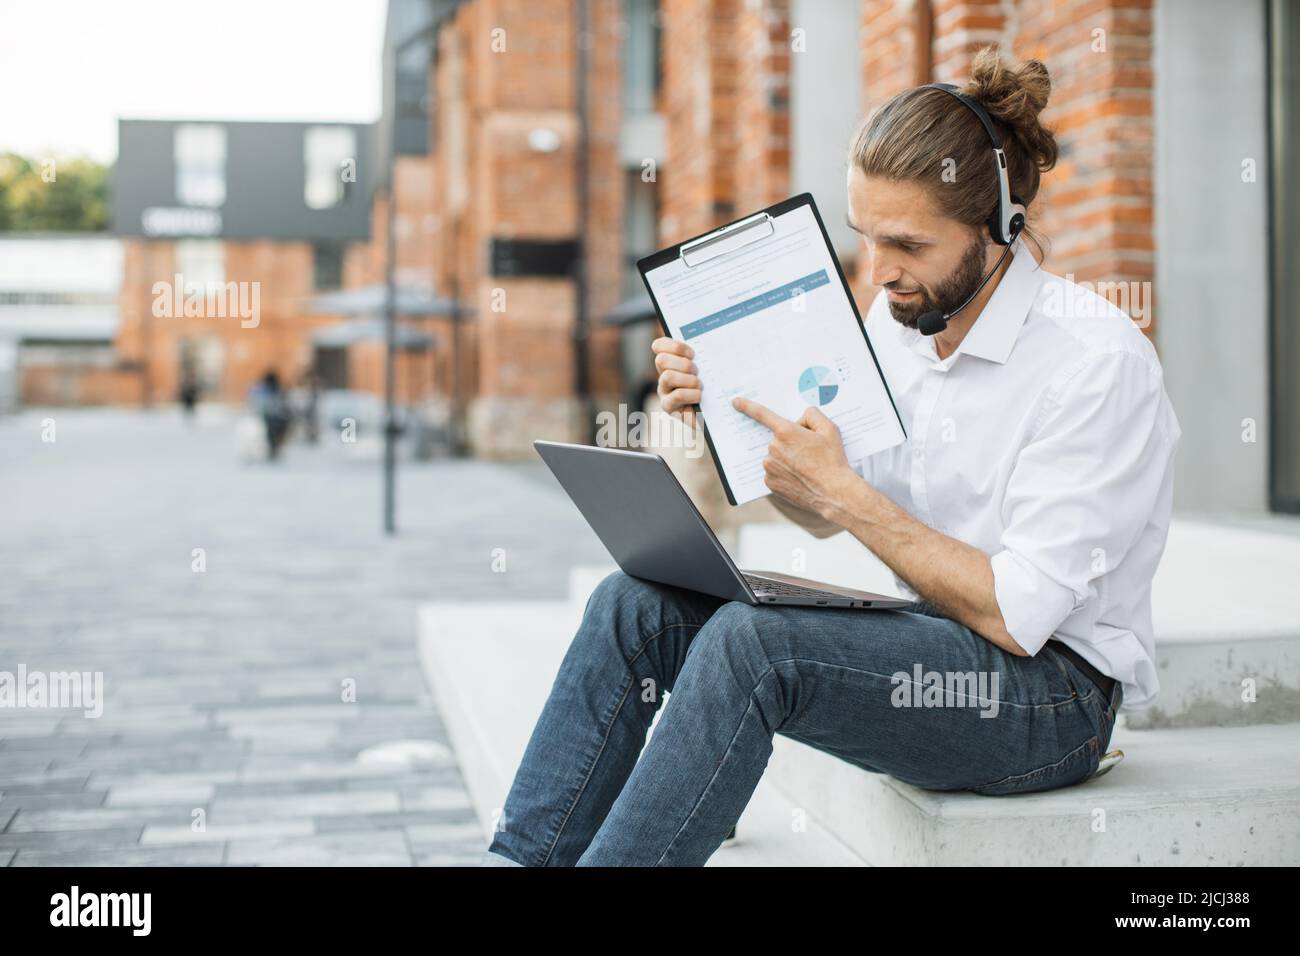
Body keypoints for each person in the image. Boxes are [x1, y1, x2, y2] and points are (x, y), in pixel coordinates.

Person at [483, 48, 1182, 867]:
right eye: (864, 238)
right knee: (637, 603)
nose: (877, 273)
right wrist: (733, 422)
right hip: (930, 636)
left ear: (1001, 225)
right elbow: (817, 516)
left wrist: (846, 495)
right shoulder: (898, 325)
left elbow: (1017, 617)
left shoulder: (1094, 363)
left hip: (1048, 698)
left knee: (753, 646)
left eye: (907, 245)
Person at [248, 370, 290, 461]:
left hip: (274, 417)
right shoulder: (271, 389)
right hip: (273, 416)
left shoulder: (271, 389)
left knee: (273, 434)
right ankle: (273, 450)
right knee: (272, 435)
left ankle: (274, 450)